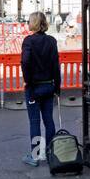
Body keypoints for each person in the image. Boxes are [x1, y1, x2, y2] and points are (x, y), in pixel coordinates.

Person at [19, 12, 61, 166]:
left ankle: (35, 156)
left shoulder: (28, 41)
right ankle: (50, 153)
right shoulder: (51, 41)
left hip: (34, 87)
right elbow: (56, 65)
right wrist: (57, 87)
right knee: (49, 120)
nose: (27, 23)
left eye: (29, 21)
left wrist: (28, 82)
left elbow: (25, 62)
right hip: (49, 85)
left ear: (34, 23)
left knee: (34, 122)